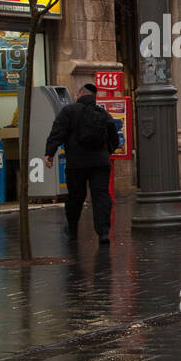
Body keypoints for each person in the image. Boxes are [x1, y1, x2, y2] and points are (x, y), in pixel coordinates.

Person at [45, 82, 119, 243]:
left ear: (79, 94)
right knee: (101, 196)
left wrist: (49, 153)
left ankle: (72, 229)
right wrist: (107, 152)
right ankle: (104, 233)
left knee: (75, 197)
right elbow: (114, 137)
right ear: (94, 97)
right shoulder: (103, 114)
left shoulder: (68, 111)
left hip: (76, 163)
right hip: (100, 163)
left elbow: (57, 132)